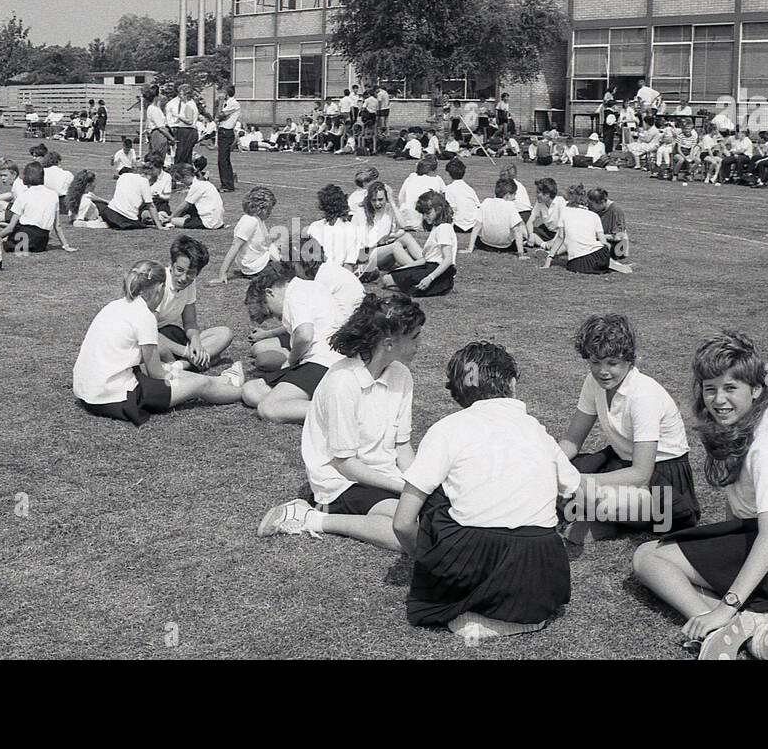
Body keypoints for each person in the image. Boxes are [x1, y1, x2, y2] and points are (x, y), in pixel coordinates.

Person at [633, 331, 768, 661]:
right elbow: (741, 514)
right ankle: (750, 622)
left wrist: (727, 602)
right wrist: (721, 558)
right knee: (650, 556)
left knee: (648, 559)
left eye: (731, 388)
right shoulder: (742, 426)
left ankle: (720, 622)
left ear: (756, 389)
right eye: (710, 388)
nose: (718, 400)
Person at [395, 342, 578, 640]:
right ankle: (521, 607)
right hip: (542, 564)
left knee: (434, 497)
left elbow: (402, 522)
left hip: (475, 556)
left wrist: (427, 560)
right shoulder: (536, 429)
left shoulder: (448, 428)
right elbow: (573, 489)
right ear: (512, 383)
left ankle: (466, 600)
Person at [256, 293, 423, 550]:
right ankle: (312, 518)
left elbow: (403, 447)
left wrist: (419, 482)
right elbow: (347, 466)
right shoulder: (342, 382)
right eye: (414, 338)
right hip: (341, 483)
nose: (418, 344)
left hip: (385, 477)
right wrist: (406, 488)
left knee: (432, 520)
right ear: (389, 344)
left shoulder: (401, 375)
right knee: (410, 532)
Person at [557, 314, 700, 543]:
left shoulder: (643, 394)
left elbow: (641, 473)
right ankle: (605, 517)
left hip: (661, 476)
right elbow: (573, 440)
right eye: (595, 362)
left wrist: (581, 482)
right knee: (559, 472)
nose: (603, 371)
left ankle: (606, 517)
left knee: (596, 496)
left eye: (612, 363)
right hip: (623, 464)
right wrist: (547, 467)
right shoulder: (593, 382)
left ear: (629, 360)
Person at [72, 260, 245, 425]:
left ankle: (222, 381)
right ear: (161, 288)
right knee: (201, 385)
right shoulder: (145, 316)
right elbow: (157, 373)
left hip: (87, 392)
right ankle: (244, 392)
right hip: (114, 397)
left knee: (179, 375)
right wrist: (192, 379)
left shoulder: (114, 305)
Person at [240, 252, 356, 424]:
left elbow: (304, 334)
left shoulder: (295, 295)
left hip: (322, 363)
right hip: (324, 361)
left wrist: (291, 359)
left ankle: (344, 411)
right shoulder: (306, 287)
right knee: (251, 390)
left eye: (270, 312)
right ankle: (320, 398)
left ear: (270, 293)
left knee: (268, 408)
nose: (276, 318)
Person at [150, 235, 234, 370]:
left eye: (190, 273)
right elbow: (148, 332)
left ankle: (180, 365)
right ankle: (197, 362)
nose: (183, 278)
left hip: (169, 334)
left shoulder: (190, 284)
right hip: (148, 339)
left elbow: (190, 322)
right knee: (157, 349)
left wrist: (196, 343)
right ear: (171, 264)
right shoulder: (158, 284)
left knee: (225, 334)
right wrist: (185, 352)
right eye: (180, 270)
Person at [541, 185, 630, 274]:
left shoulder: (565, 212)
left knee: (573, 241)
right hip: (599, 253)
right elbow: (604, 244)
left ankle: (552, 251)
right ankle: (610, 263)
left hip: (579, 262)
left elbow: (561, 237)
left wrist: (549, 259)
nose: (590, 206)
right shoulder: (594, 215)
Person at [381, 191, 456, 297]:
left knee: (388, 280)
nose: (425, 217)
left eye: (428, 213)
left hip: (437, 271)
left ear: (438, 210)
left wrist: (429, 278)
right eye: (423, 214)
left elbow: (448, 260)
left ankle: (438, 287)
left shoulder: (444, 228)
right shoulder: (437, 227)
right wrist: (404, 268)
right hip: (429, 266)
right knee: (388, 278)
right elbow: (426, 259)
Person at [0, 162, 74, 253]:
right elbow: (57, 225)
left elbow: (10, 227)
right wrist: (66, 245)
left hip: (24, 236)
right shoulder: (53, 195)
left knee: (4, 241)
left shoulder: (24, 196)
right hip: (41, 241)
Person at [210, 186, 280, 282]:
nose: (270, 213)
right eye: (269, 210)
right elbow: (235, 247)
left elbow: (262, 241)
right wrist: (223, 273)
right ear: (261, 208)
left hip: (260, 260)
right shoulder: (250, 222)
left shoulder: (258, 220)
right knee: (288, 269)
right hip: (256, 266)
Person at [357, 180, 423, 274]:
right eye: (374, 200)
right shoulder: (362, 212)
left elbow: (403, 225)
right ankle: (417, 271)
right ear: (369, 199)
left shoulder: (388, 209)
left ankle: (426, 261)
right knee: (395, 246)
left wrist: (392, 202)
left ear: (386, 198)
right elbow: (361, 242)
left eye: (380, 199)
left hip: (383, 249)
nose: (377, 203)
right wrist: (380, 240)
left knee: (406, 236)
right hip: (367, 254)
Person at [463, 177, 529, 258]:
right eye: (514, 194)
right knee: (520, 239)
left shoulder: (486, 202)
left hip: (485, 243)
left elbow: (477, 227)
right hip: (505, 246)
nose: (515, 198)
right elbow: (517, 231)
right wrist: (521, 254)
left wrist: (470, 248)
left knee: (478, 239)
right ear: (508, 195)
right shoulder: (510, 205)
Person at [307, 184, 363, 271]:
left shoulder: (314, 227)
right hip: (337, 274)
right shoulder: (353, 229)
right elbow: (349, 264)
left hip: (318, 273)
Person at [169, 158, 225, 229]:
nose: (181, 182)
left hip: (208, 222)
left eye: (181, 180)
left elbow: (184, 206)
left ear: (186, 177)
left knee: (173, 221)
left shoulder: (196, 186)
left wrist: (171, 217)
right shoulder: (205, 183)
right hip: (218, 221)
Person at [396, 157, 447, 230]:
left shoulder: (410, 178)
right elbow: (444, 197)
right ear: (431, 171)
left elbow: (401, 198)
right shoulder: (436, 179)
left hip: (406, 220)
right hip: (424, 221)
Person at [586, 187, 628, 262]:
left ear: (602, 202)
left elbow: (619, 236)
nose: (590, 206)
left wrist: (598, 235)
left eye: (592, 204)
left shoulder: (616, 210)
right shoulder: (590, 208)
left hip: (612, 244)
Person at [441, 158, 480, 234]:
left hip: (458, 224)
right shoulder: (469, 189)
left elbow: (451, 209)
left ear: (449, 174)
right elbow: (477, 205)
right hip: (472, 224)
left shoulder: (449, 189)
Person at [216, 85, 240, 191]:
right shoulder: (228, 103)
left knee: (223, 159)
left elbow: (219, 115)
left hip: (226, 132)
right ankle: (227, 181)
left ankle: (227, 184)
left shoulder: (233, 103)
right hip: (222, 131)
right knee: (223, 159)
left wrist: (220, 101)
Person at [169, 85, 200, 165]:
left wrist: (177, 115)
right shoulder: (191, 104)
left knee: (181, 156)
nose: (180, 96)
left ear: (186, 95)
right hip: (189, 131)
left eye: (181, 94)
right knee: (186, 156)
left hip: (186, 132)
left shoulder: (189, 105)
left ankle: (177, 171)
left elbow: (189, 121)